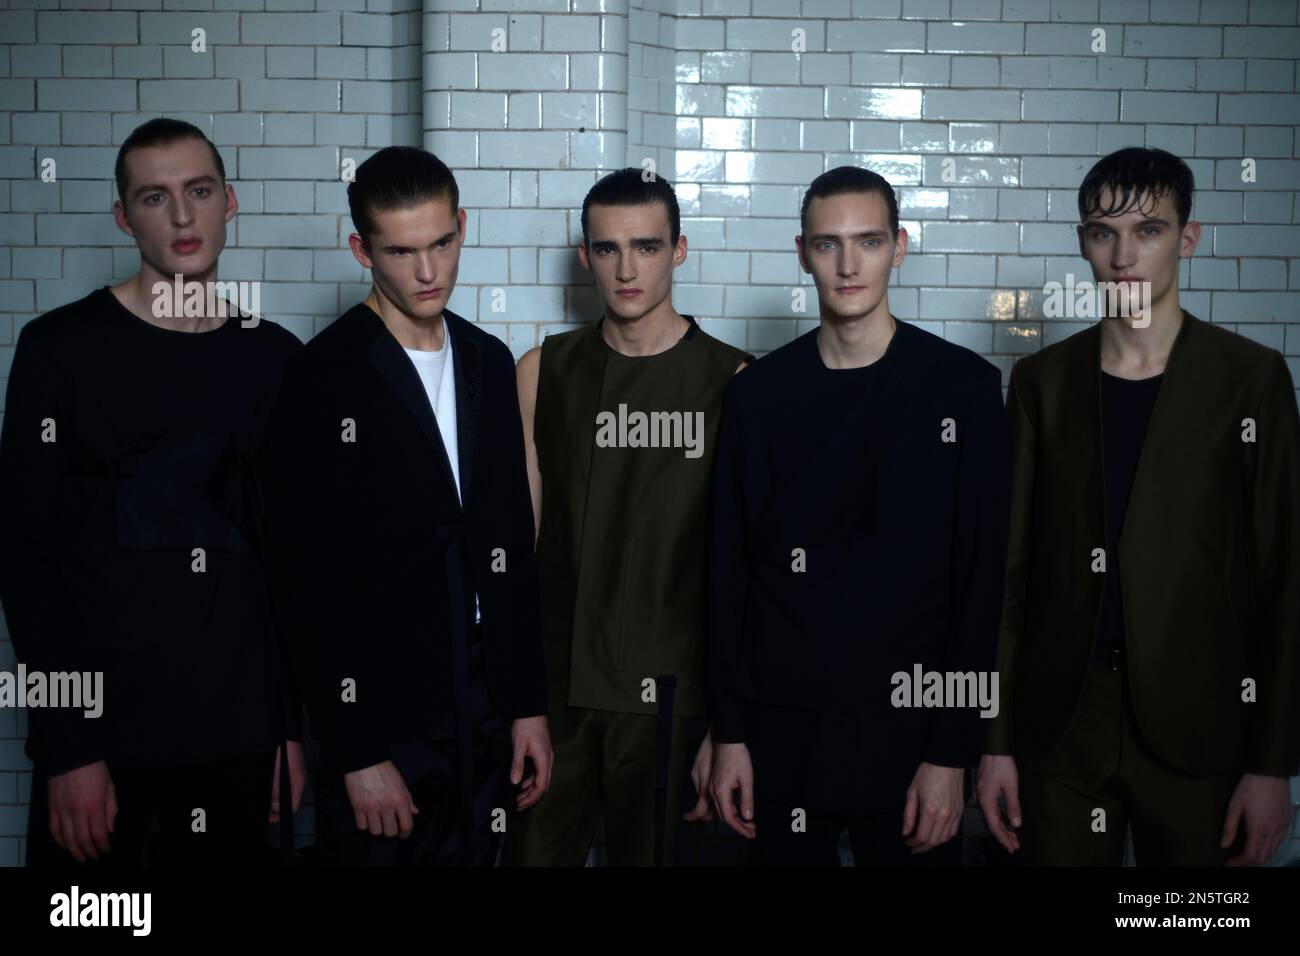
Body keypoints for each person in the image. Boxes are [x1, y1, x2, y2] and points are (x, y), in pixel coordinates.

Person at [977, 146, 1300, 867]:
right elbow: (1011, 574)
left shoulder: (1249, 379)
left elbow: (1285, 578)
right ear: (1083, 241)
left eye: (1148, 230)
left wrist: (1273, 763)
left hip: (1202, 720)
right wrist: (995, 742)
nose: (1123, 254)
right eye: (1102, 231)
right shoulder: (1043, 382)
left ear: (1188, 238)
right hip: (1063, 718)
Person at [0, 117, 305, 865]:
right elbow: (26, 557)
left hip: (237, 741)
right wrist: (69, 748)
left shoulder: (274, 357)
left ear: (228, 201)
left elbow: (291, 569)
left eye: (197, 191)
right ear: (122, 215)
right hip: (106, 747)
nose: (180, 216)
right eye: (153, 197)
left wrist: (289, 730)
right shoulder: (58, 349)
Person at [709, 166, 1008, 866]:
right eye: (827, 244)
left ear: (899, 247)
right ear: (801, 252)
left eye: (868, 242)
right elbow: (727, 574)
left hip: (912, 744)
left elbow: (982, 582)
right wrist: (730, 735)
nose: (848, 265)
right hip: (784, 738)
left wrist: (952, 753)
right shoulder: (758, 396)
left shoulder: (963, 387)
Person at [265, 146, 551, 866]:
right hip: (382, 716)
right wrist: (355, 752)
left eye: (441, 244)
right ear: (361, 249)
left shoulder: (487, 358)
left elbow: (508, 542)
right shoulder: (319, 376)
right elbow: (303, 580)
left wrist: (526, 706)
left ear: (461, 225)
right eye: (400, 252)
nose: (428, 273)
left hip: (484, 703)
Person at [508, 168, 751, 866]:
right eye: (607, 249)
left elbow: (746, 574)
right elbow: (519, 552)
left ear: (678, 250)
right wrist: (518, 702)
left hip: (675, 699)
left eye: (645, 247)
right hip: (557, 702)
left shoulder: (733, 382)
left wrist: (728, 730)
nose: (626, 268)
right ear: (585, 257)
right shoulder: (540, 371)